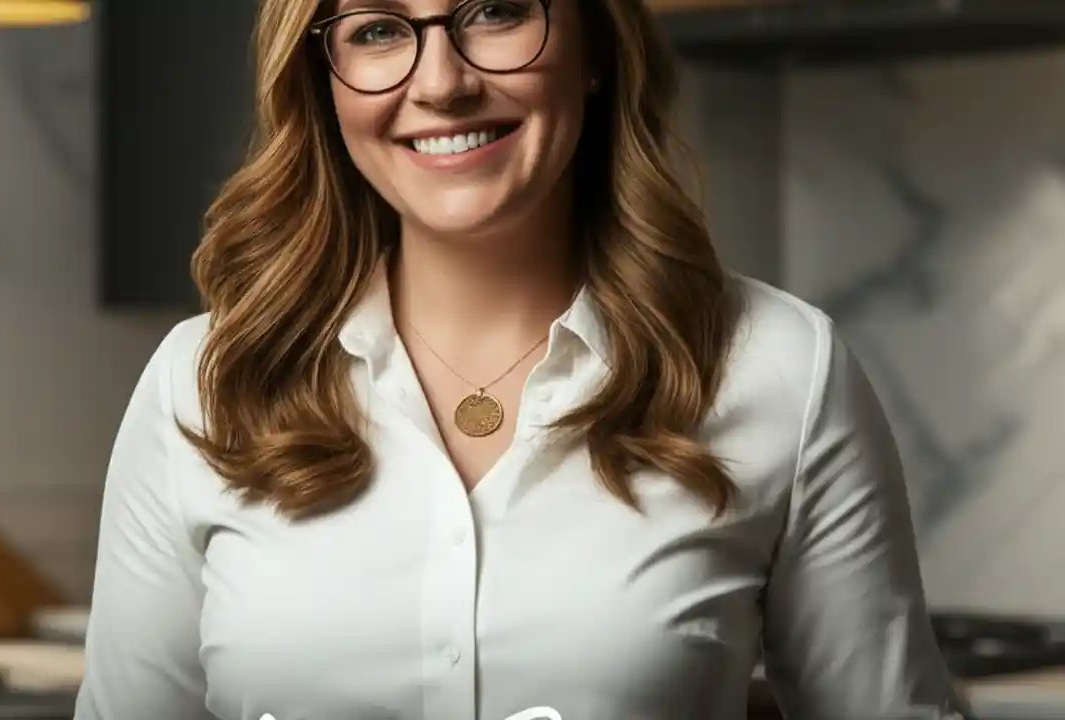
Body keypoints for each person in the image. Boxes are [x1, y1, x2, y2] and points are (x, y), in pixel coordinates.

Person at [75, 0, 973, 718]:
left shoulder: (781, 367)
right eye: (379, 30)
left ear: (594, 47)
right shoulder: (202, 384)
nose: (442, 83)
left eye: (497, 12)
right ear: (322, 81)